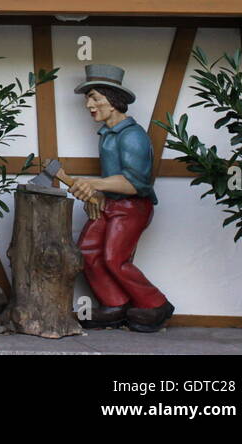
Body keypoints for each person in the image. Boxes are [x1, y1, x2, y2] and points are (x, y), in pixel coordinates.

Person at [69, 64, 174, 332]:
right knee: (86, 251)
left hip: (132, 206)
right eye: (87, 99)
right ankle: (115, 304)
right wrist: (97, 195)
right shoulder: (107, 134)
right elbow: (113, 178)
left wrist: (93, 184)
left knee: (115, 258)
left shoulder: (133, 136)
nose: (89, 105)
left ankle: (156, 305)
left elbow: (135, 182)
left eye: (94, 98)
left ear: (113, 101)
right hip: (111, 203)